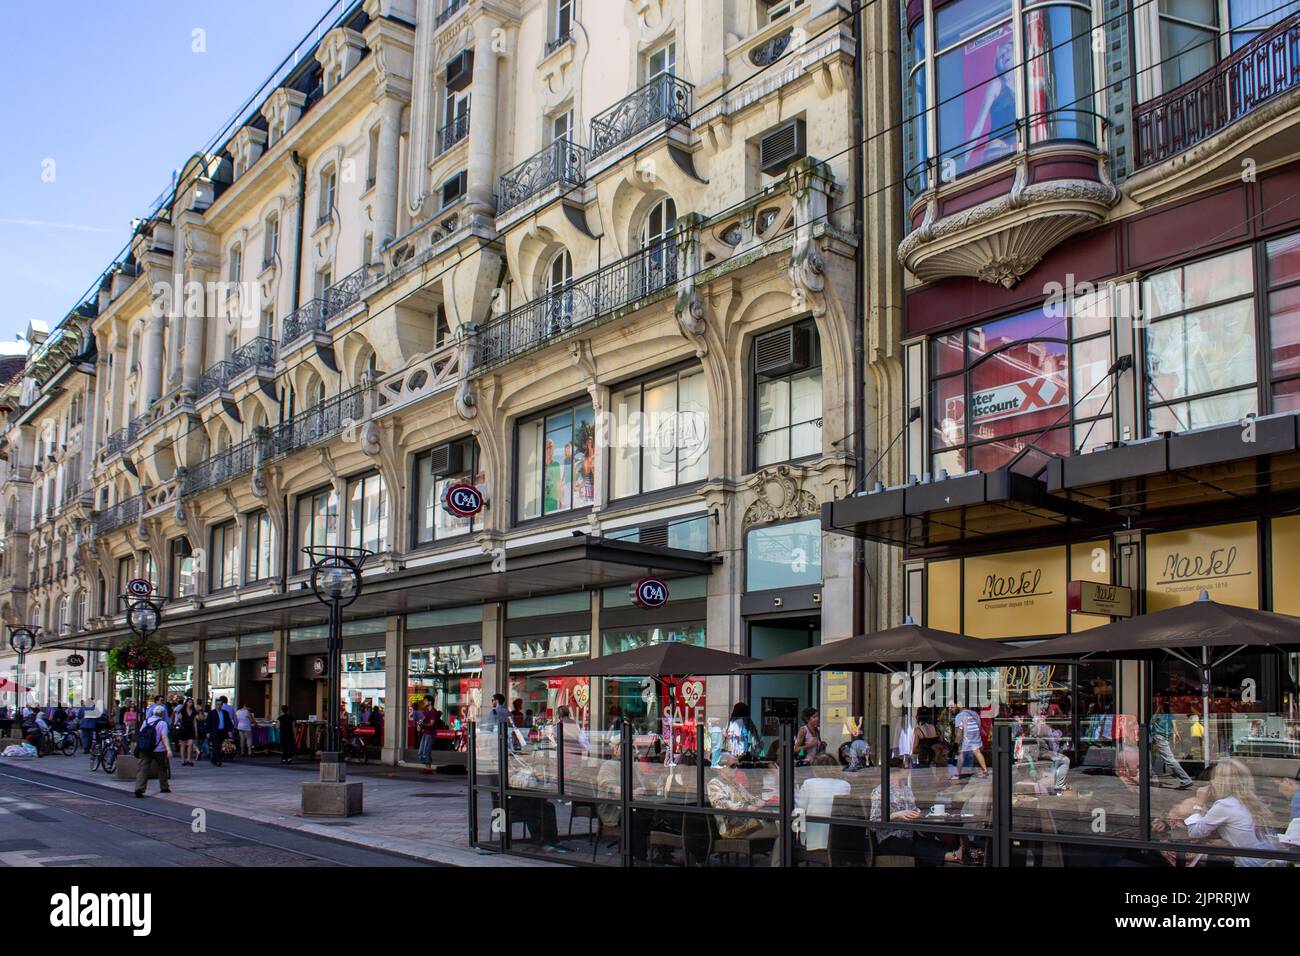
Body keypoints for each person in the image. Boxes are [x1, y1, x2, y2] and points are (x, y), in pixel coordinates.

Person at [1172, 759, 1282, 866]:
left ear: (1220, 781)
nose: (1211, 781)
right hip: (1270, 860)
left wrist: (1199, 802)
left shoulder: (1225, 805)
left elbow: (1195, 832)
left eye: (1214, 778)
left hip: (1249, 863)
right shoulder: (1250, 801)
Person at [795, 753, 851, 852]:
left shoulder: (809, 783)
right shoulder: (845, 785)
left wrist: (796, 794)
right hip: (839, 837)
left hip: (815, 837)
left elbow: (799, 808)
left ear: (815, 769)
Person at [1150, 698, 1193, 789]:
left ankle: (1186, 779)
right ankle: (1150, 773)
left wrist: (1158, 709)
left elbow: (1151, 721)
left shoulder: (1159, 715)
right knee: (1155, 756)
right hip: (1165, 737)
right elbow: (1174, 726)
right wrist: (1176, 734)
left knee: (1169, 759)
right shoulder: (1170, 716)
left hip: (1159, 737)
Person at [134, 704, 172, 798]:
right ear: (162, 714)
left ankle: (139, 788)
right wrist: (168, 749)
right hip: (159, 750)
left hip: (145, 748)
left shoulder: (146, 721)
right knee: (162, 767)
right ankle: (164, 787)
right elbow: (164, 737)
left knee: (143, 768)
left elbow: (141, 734)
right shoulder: (162, 723)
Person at [949, 701, 988, 777]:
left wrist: (956, 743)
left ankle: (957, 774)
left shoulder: (959, 716)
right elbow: (979, 725)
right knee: (977, 752)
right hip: (975, 735)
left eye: (952, 707)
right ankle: (985, 770)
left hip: (967, 737)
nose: (951, 709)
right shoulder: (974, 713)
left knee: (961, 754)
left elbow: (959, 732)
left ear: (959, 706)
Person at [207, 696, 233, 766]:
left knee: (218, 746)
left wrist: (230, 730)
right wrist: (208, 732)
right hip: (215, 732)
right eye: (217, 704)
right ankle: (218, 760)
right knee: (217, 746)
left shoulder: (225, 713)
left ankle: (213, 759)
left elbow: (228, 722)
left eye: (220, 704)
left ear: (222, 705)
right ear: (215, 705)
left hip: (222, 731)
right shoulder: (212, 713)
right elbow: (208, 723)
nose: (219, 706)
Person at [174, 699, 198, 766]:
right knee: (183, 745)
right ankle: (183, 760)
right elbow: (178, 719)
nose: (191, 703)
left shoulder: (193, 711)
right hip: (183, 729)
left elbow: (194, 722)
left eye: (192, 702)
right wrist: (177, 722)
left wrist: (196, 731)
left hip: (190, 729)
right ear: (186, 703)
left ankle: (189, 759)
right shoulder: (182, 711)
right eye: (189, 702)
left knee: (190, 744)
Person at [418, 694, 438, 774]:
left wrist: (422, 725)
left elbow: (431, 724)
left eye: (425, 700)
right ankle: (427, 767)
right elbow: (422, 719)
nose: (424, 702)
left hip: (430, 734)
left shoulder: (434, 712)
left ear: (430, 702)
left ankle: (428, 768)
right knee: (421, 751)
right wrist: (419, 725)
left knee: (426, 751)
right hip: (425, 733)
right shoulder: (426, 711)